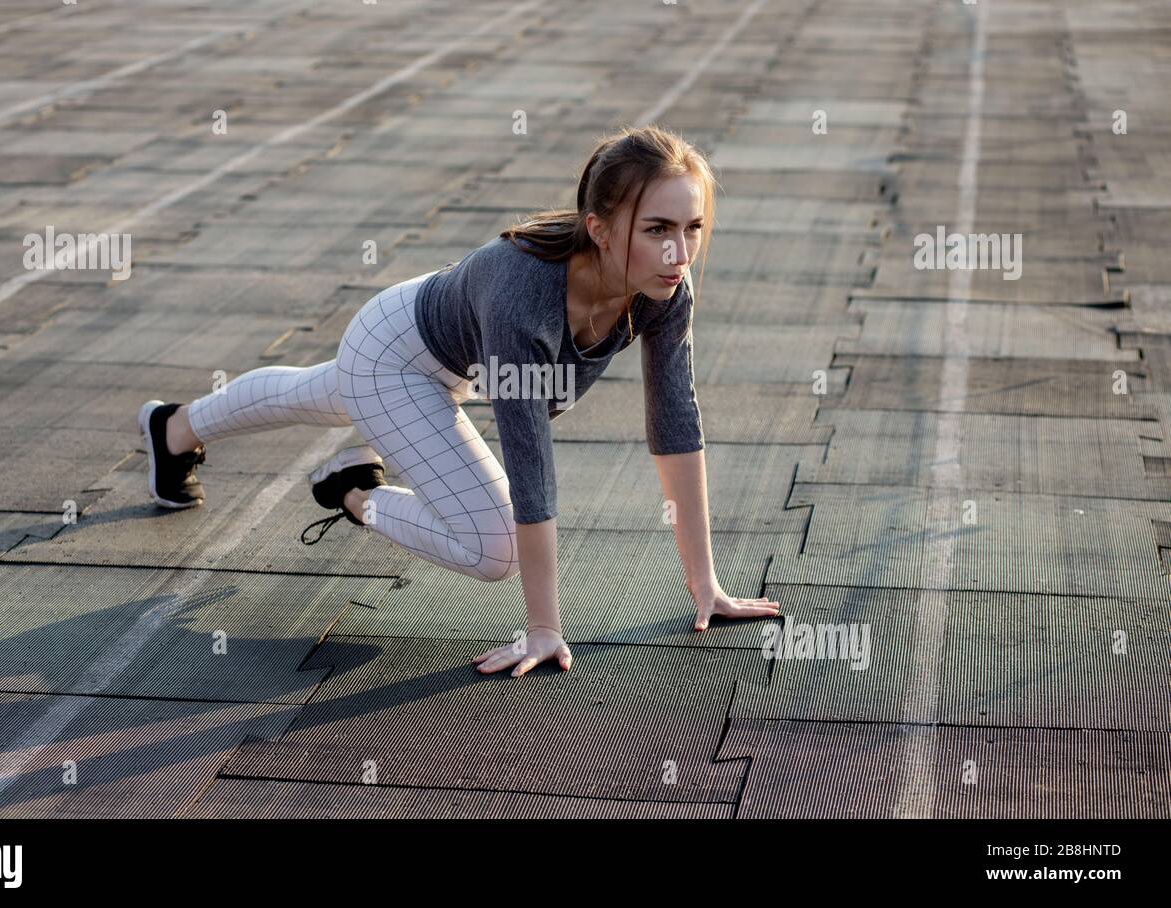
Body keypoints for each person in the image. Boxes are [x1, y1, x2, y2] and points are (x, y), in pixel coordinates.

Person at [137, 124, 780, 678]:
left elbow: (675, 424)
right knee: (493, 544)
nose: (679, 251)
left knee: (316, 392)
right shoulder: (525, 292)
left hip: (437, 355)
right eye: (658, 229)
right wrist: (543, 627)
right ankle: (355, 494)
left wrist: (706, 587)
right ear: (601, 229)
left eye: (693, 228)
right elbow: (529, 460)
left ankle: (174, 429)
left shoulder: (665, 286)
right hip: (393, 350)